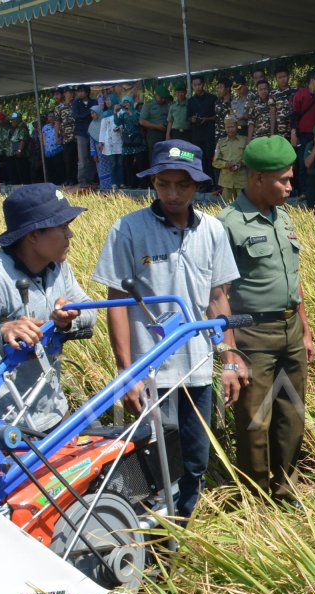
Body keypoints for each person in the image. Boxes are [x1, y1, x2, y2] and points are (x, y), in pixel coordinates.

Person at [93, 141, 242, 515]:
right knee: (149, 456)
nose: (172, 194)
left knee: (194, 458)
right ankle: (140, 537)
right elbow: (117, 303)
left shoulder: (212, 231)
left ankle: (180, 531)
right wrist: (127, 371)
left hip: (197, 369)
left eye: (182, 185)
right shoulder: (128, 229)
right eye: (163, 184)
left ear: (197, 186)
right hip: (151, 372)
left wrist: (230, 358)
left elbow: (218, 299)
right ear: (153, 184)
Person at [0, 183, 97, 432]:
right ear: (33, 235)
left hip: (54, 414)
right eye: (62, 227)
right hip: (7, 428)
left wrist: (68, 320)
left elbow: (90, 311)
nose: (70, 235)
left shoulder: (59, 267)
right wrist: (2, 333)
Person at [217, 136, 315, 505]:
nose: (290, 187)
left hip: (289, 330)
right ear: (257, 178)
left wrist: (305, 328)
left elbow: (294, 276)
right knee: (255, 421)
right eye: (283, 180)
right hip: (251, 334)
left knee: (291, 415)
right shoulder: (228, 224)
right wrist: (230, 350)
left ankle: (285, 489)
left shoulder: (284, 218)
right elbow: (219, 294)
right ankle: (255, 497)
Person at [187, 76, 217, 177]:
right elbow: (188, 118)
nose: (197, 87)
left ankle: (213, 182)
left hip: (209, 134)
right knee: (199, 158)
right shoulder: (191, 101)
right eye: (195, 85)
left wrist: (207, 119)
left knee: (210, 157)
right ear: (192, 86)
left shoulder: (212, 98)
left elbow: (218, 116)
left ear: (203, 84)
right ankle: (203, 182)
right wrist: (193, 119)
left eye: (199, 84)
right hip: (197, 135)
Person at [213, 117, 248, 202]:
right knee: (227, 207)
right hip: (226, 181)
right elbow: (215, 161)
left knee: (243, 205)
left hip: (241, 180)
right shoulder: (221, 142)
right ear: (225, 129)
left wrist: (241, 163)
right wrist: (226, 164)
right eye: (227, 127)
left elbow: (249, 158)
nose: (230, 129)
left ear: (236, 127)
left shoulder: (244, 140)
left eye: (232, 127)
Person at [138, 85, 172, 160]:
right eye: (161, 97)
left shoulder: (168, 104)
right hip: (153, 134)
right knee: (155, 156)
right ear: (155, 95)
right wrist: (156, 126)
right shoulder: (148, 105)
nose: (163, 100)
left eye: (164, 98)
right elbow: (141, 121)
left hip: (166, 133)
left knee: (167, 155)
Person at [72, 85, 96, 188]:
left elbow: (96, 114)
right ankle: (82, 181)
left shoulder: (93, 102)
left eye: (82, 91)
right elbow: (77, 116)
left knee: (92, 158)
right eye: (79, 92)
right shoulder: (76, 103)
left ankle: (91, 180)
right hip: (81, 133)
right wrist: (89, 113)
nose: (80, 93)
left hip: (93, 133)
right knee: (82, 159)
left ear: (87, 92)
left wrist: (85, 115)